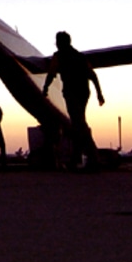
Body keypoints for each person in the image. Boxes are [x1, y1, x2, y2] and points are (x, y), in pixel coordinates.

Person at [43, 31, 105, 171]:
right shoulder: (80, 57)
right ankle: (76, 159)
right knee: (77, 124)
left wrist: (45, 88)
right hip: (84, 92)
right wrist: (99, 93)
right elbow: (93, 76)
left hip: (72, 93)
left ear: (60, 42)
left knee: (79, 124)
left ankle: (93, 159)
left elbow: (51, 73)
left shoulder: (58, 56)